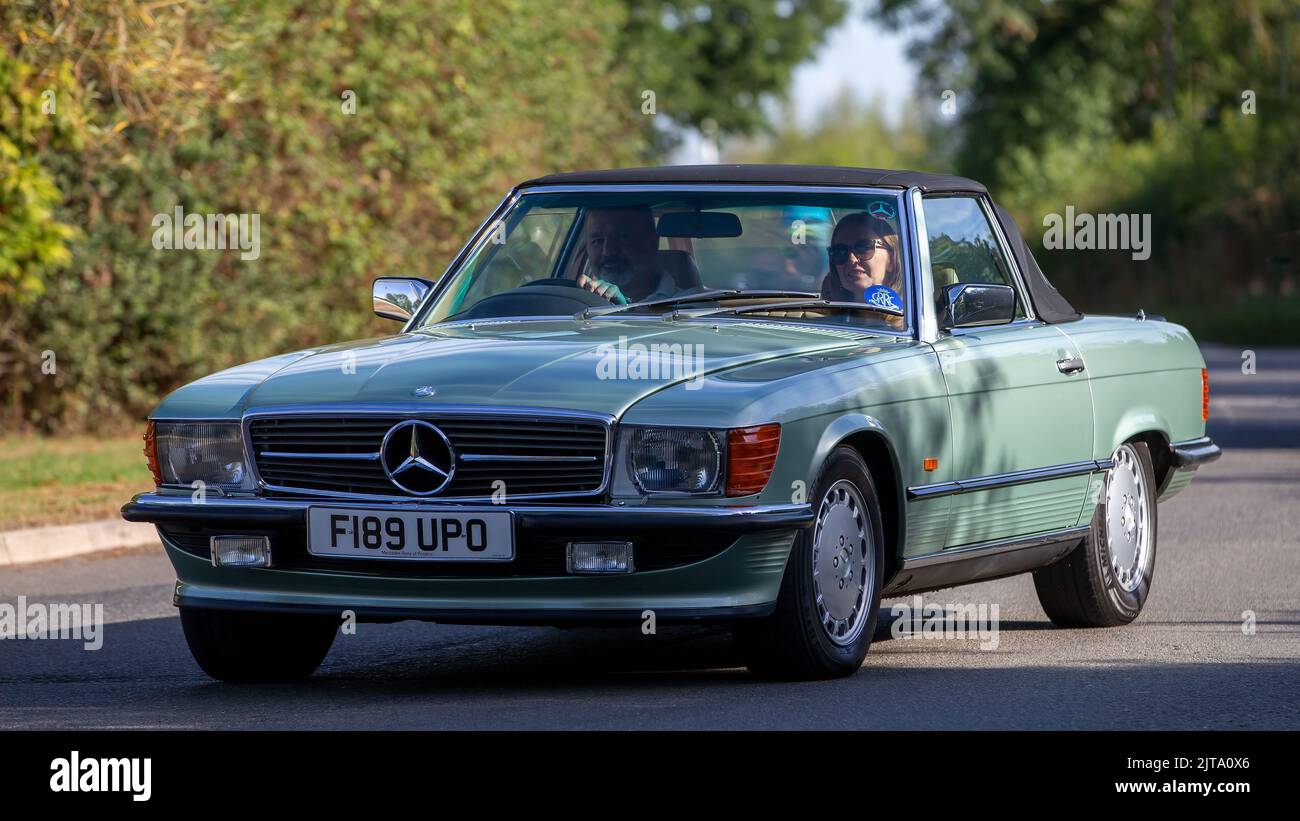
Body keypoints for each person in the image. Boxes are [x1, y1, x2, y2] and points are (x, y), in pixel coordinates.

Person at [576, 206, 679, 304]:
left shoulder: (689, 306)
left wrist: (623, 309)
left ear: (652, 242)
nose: (607, 251)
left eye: (622, 237)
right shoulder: (575, 304)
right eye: (597, 241)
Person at [820, 212, 905, 326]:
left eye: (863, 247)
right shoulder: (821, 323)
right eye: (839, 251)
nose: (852, 259)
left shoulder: (915, 324)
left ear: (891, 260)